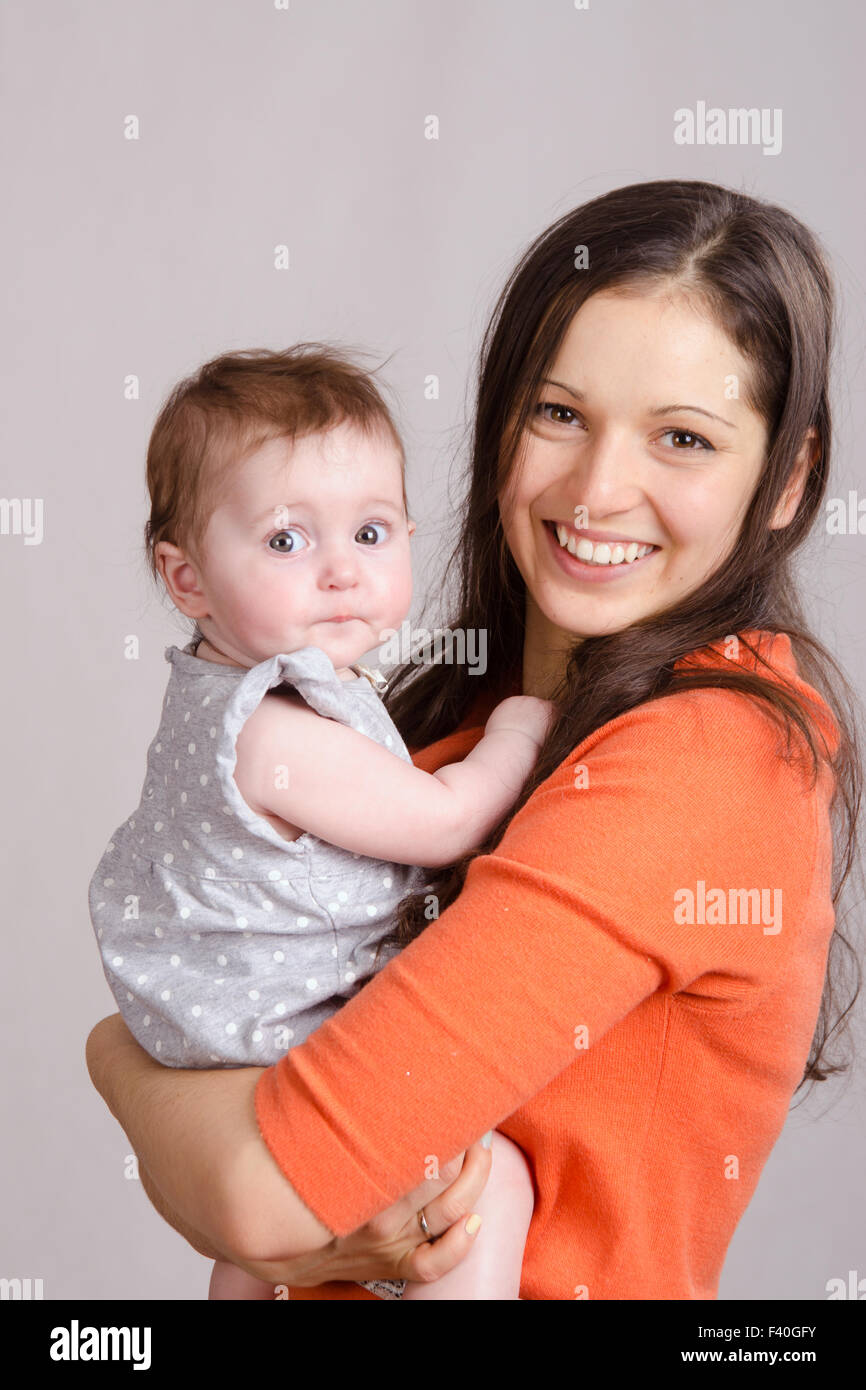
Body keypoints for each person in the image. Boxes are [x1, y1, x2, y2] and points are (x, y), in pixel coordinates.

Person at [86, 179, 862, 1300]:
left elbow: (255, 1192)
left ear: (785, 478)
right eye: (558, 413)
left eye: (681, 438)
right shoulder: (454, 706)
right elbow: (248, 1187)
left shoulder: (702, 758)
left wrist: (111, 1057)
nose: (597, 490)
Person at [87, 345, 548, 1300]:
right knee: (489, 1185)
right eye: (288, 541)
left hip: (228, 1027)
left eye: (374, 534)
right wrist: (517, 730)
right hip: (275, 1031)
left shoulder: (235, 692)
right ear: (188, 581)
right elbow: (444, 820)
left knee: (253, 1260)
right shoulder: (270, 727)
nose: (341, 571)